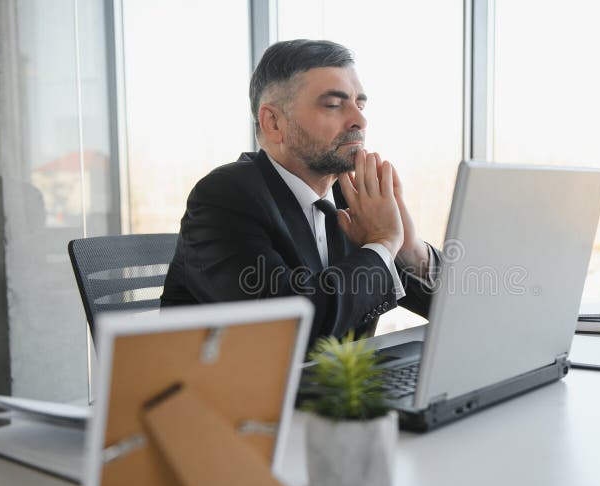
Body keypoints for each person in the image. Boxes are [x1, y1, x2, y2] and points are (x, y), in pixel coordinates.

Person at [160, 39, 440, 343]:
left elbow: (456, 311)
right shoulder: (224, 199)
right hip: (234, 389)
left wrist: (409, 250)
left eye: (360, 104)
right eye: (334, 105)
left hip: (340, 388)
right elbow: (289, 329)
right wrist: (383, 244)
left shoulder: (352, 198)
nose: (360, 120)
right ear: (274, 123)